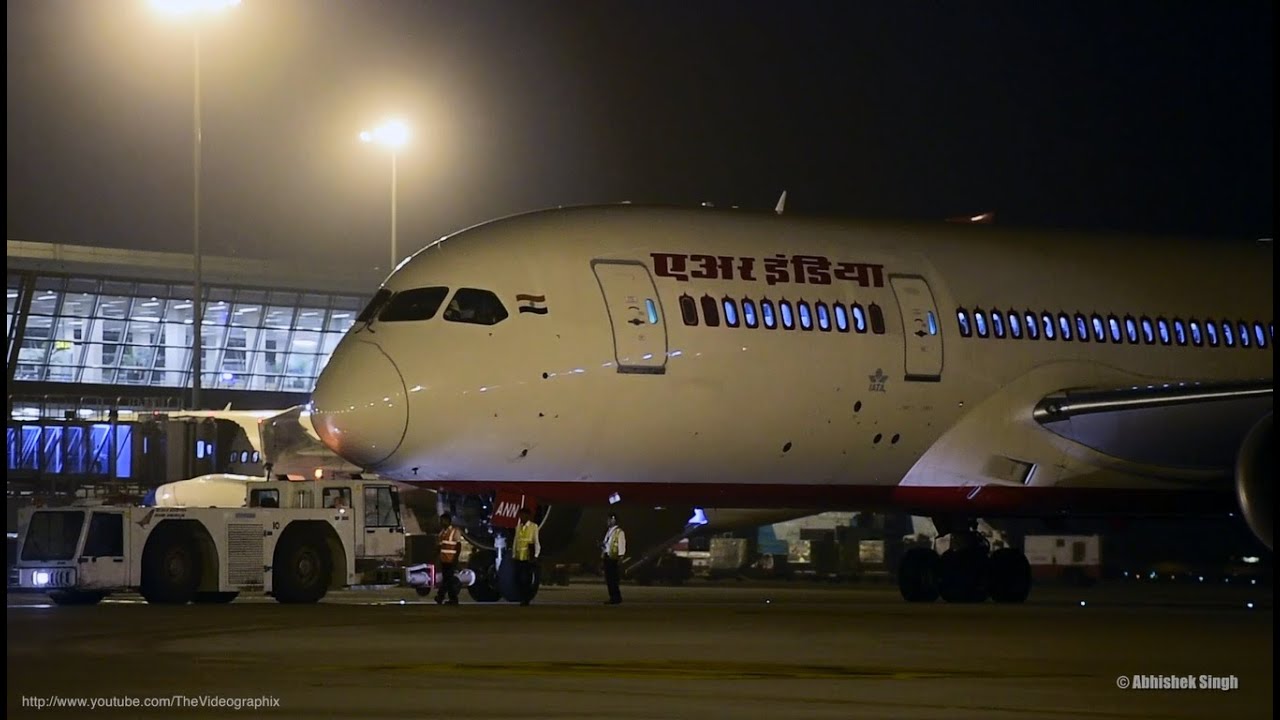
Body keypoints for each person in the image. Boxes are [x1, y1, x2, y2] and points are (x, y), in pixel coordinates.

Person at [512, 507, 541, 605]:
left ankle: (525, 599)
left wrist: (536, 556)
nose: (521, 517)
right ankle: (522, 597)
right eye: (520, 515)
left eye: (523, 515)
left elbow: (536, 542)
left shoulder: (534, 527)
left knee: (525, 579)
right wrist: (514, 554)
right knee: (518, 579)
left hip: (528, 557)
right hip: (519, 557)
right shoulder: (518, 527)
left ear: (528, 516)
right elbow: (516, 541)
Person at [435, 512, 462, 605]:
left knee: (448, 580)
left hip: (451, 560)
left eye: (443, 520)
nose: (441, 522)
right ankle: (448, 598)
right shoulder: (442, 533)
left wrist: (456, 559)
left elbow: (458, 546)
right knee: (447, 580)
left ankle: (442, 596)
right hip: (444, 560)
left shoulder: (454, 531)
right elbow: (439, 547)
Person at [601, 513, 627, 605]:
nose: (607, 522)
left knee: (613, 579)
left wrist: (621, 557)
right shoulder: (609, 531)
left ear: (613, 520)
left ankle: (616, 597)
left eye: (609, 520)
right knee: (609, 579)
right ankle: (612, 596)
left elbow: (621, 544)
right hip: (607, 556)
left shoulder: (619, 532)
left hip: (613, 558)